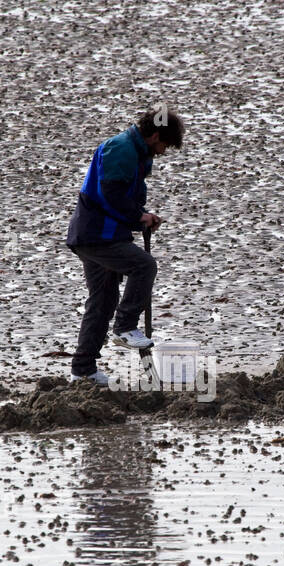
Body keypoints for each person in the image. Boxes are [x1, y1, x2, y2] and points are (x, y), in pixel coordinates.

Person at [65, 106, 185, 384]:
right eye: (165, 144)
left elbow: (127, 197)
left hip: (101, 234)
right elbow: (110, 195)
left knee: (102, 301)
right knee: (144, 265)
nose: (165, 151)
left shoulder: (139, 153)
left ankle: (83, 371)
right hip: (97, 235)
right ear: (155, 135)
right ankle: (126, 327)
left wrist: (140, 218)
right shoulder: (121, 149)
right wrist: (138, 216)